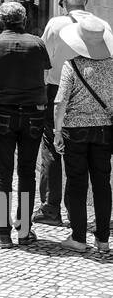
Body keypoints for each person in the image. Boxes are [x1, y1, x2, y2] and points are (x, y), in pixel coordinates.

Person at [36, 0, 112, 227]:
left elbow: (43, 58)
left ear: (63, 3)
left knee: (52, 148)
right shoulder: (103, 25)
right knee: (98, 168)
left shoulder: (56, 24)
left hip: (57, 89)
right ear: (85, 3)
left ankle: (51, 208)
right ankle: (92, 221)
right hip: (97, 95)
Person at [0, 1, 50, 248]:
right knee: (28, 171)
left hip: (2, 112)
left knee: (2, 173)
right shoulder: (38, 43)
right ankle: (25, 229)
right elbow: (44, 76)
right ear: (24, 19)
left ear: (1, 21)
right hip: (33, 113)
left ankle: (3, 231)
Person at [53, 16, 113, 253]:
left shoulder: (72, 65)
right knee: (102, 183)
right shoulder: (112, 65)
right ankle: (103, 240)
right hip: (104, 131)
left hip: (75, 131)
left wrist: (57, 131)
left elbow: (60, 102)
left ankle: (78, 237)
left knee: (77, 183)